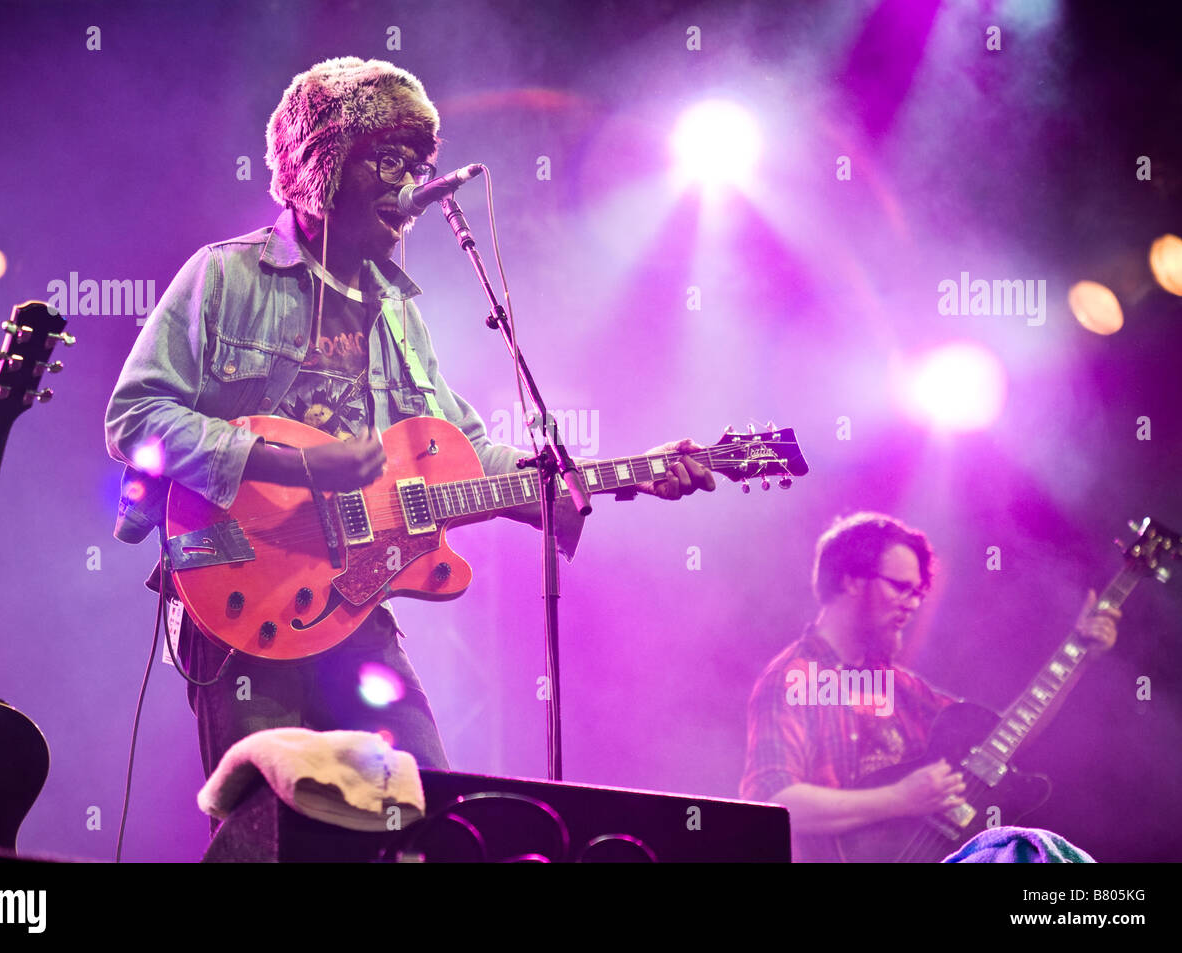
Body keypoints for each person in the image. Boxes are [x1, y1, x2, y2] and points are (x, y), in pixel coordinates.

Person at [105, 57, 715, 803]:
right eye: (389, 161)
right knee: (267, 831)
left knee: (432, 811)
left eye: (419, 165)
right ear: (322, 163)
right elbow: (136, 418)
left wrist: (623, 474)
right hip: (238, 590)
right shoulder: (226, 278)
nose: (411, 188)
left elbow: (464, 452)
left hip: (356, 603)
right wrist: (297, 467)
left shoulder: (399, 313)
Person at [739, 512, 1120, 861]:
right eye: (900, 587)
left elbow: (1001, 740)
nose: (912, 604)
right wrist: (900, 799)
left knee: (1035, 852)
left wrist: (1078, 656)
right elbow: (773, 803)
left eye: (918, 593)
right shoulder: (792, 677)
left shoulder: (899, 687)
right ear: (851, 581)